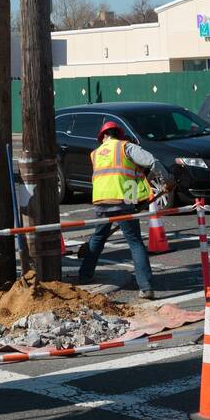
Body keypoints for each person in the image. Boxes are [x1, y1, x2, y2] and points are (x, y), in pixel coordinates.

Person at [77, 120, 172, 299]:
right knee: (135, 241)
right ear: (119, 134)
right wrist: (167, 179)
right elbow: (152, 161)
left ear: (103, 136)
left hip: (100, 201)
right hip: (122, 200)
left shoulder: (95, 153)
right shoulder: (125, 147)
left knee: (98, 237)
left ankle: (84, 275)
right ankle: (146, 287)